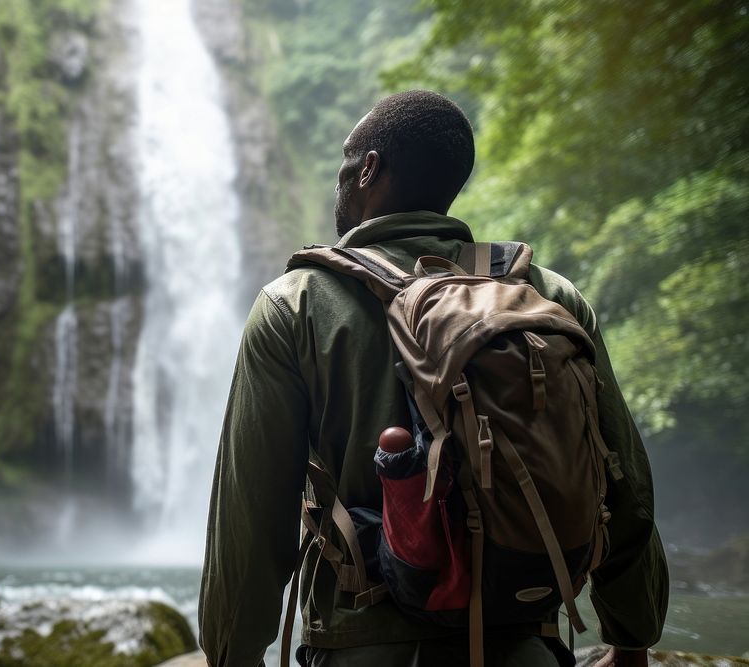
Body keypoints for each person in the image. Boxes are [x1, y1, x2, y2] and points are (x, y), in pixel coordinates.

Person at [198, 90, 669, 667]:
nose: (339, 181)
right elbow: (624, 484)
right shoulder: (549, 296)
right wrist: (631, 641)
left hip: (361, 647)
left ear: (369, 168)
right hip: (525, 644)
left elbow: (250, 516)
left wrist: (231, 655)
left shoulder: (295, 305)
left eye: (346, 163)